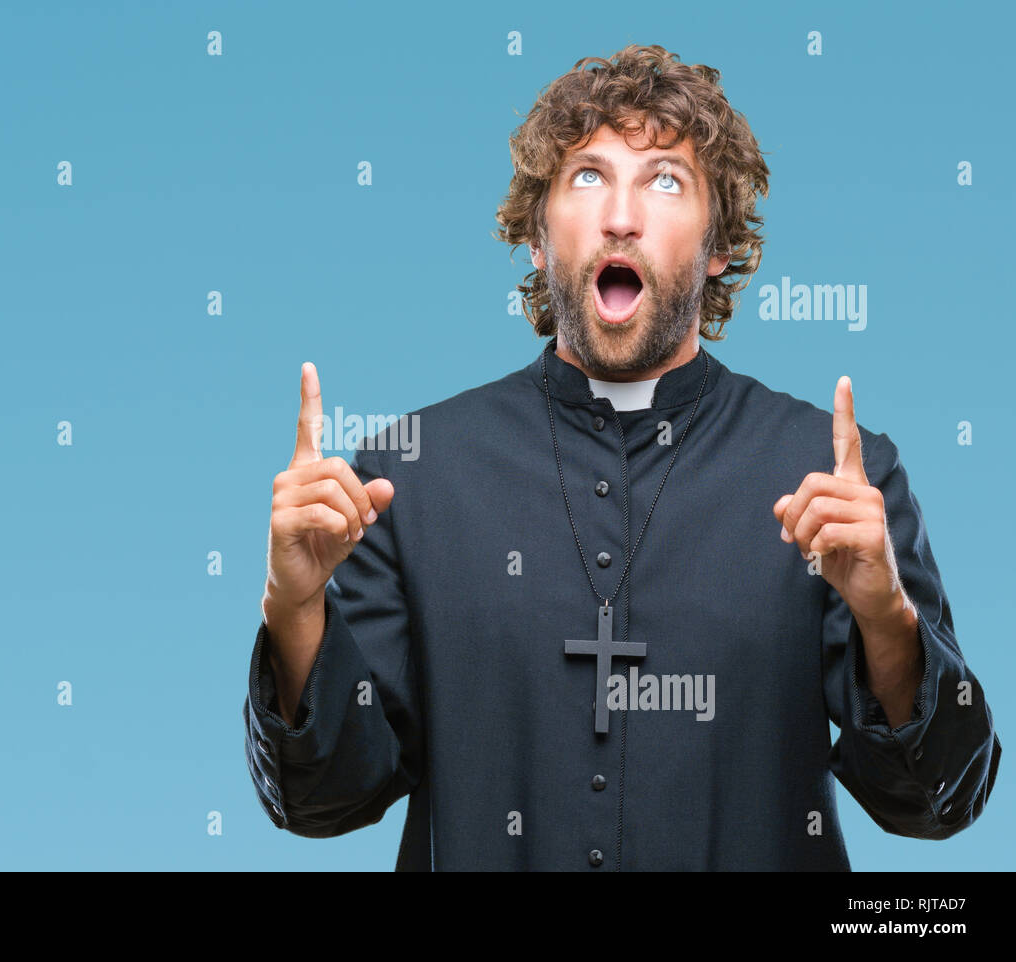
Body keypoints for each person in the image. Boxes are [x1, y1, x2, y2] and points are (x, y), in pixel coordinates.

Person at [242, 44, 1000, 870]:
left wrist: (885, 614)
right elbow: (326, 802)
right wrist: (295, 609)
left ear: (719, 247)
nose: (621, 216)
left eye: (666, 180)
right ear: (537, 237)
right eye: (589, 177)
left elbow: (938, 802)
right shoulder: (406, 475)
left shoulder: (834, 476)